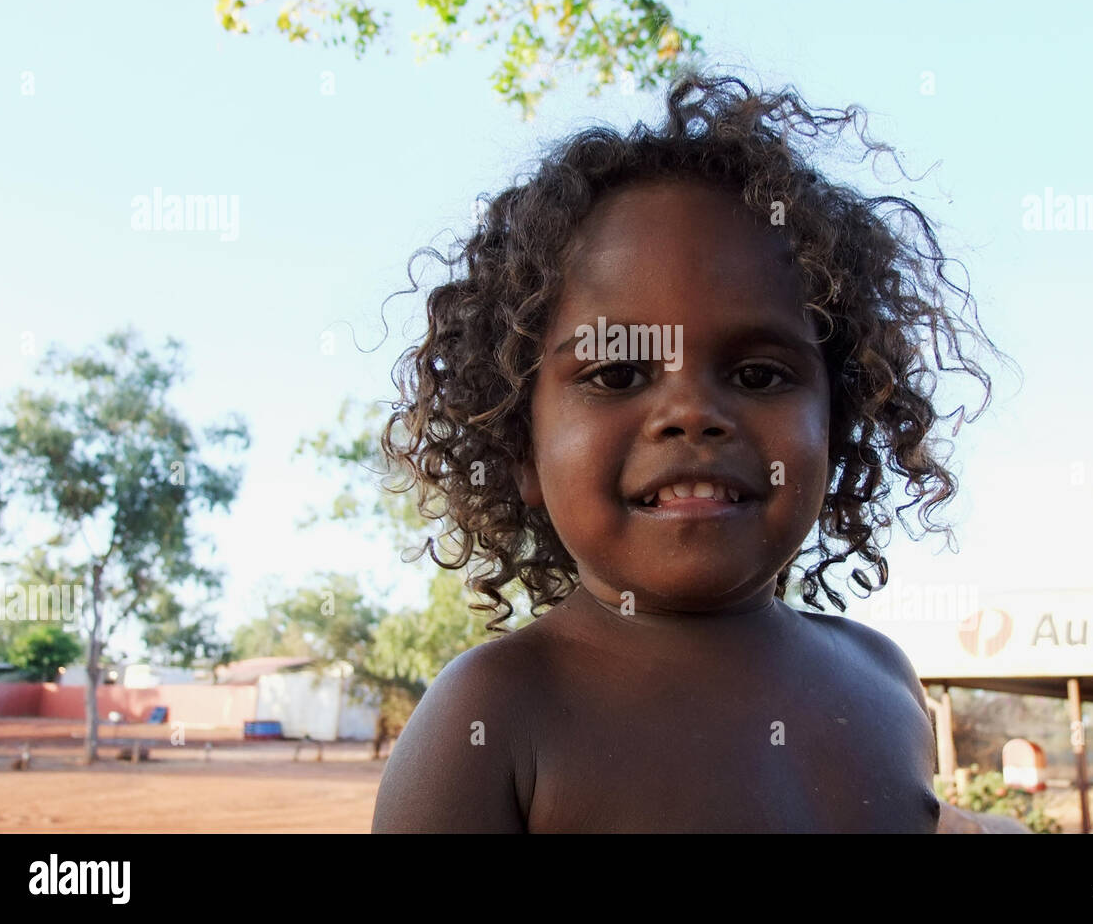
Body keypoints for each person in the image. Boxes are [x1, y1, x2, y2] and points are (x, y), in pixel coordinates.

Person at [371, 72, 1007, 833]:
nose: (692, 413)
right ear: (521, 453)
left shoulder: (885, 679)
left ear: (836, 434)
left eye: (759, 373)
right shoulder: (493, 717)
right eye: (616, 372)